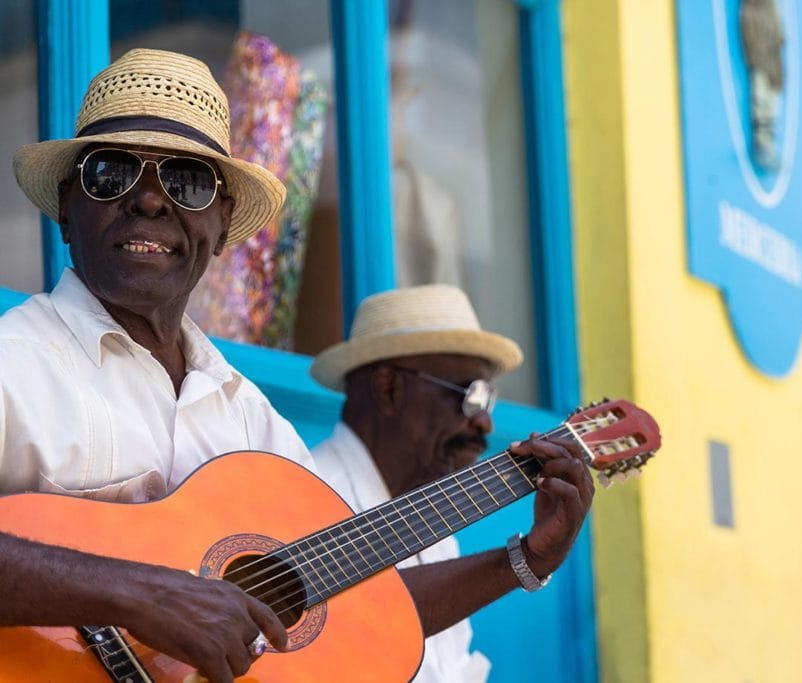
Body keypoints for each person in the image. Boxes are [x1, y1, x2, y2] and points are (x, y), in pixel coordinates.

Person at [0, 48, 593, 682]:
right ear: (67, 207)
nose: (148, 200)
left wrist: (522, 560)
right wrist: (137, 595)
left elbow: (357, 612)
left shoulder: (253, 422)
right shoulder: (15, 361)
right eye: (110, 174)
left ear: (223, 224)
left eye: (188, 182)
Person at [309, 284, 546, 682]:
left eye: (488, 400)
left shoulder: (438, 533)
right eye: (470, 395)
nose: (485, 422)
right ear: (389, 389)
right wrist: (527, 559)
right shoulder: (305, 496)